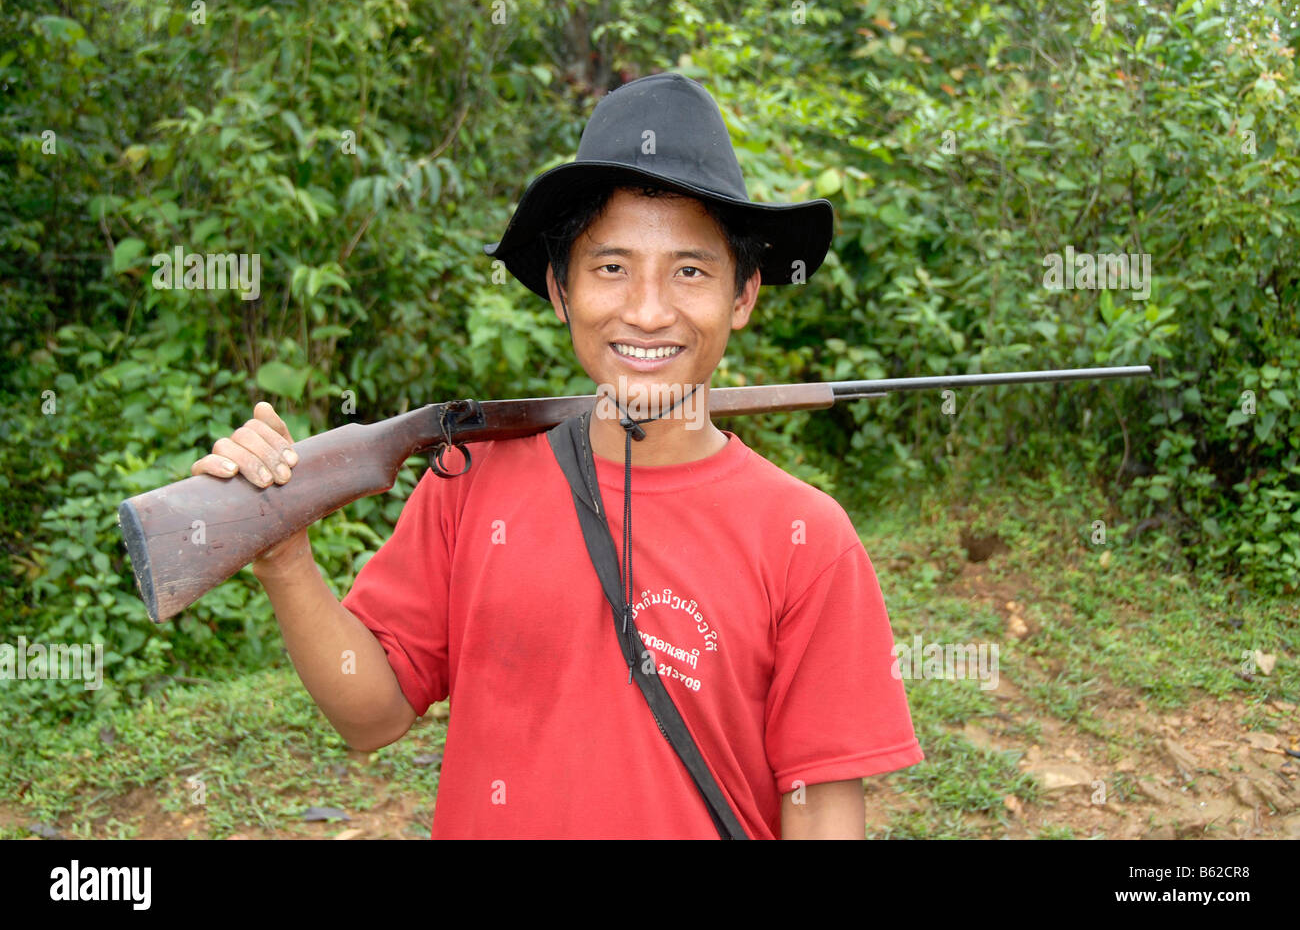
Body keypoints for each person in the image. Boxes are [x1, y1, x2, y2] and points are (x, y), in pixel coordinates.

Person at [193, 72, 923, 838]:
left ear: (743, 296)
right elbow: (370, 716)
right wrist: (285, 561)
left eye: (691, 270)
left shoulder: (807, 537)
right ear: (560, 289)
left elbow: (822, 804)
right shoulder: (469, 486)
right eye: (610, 268)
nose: (646, 310)